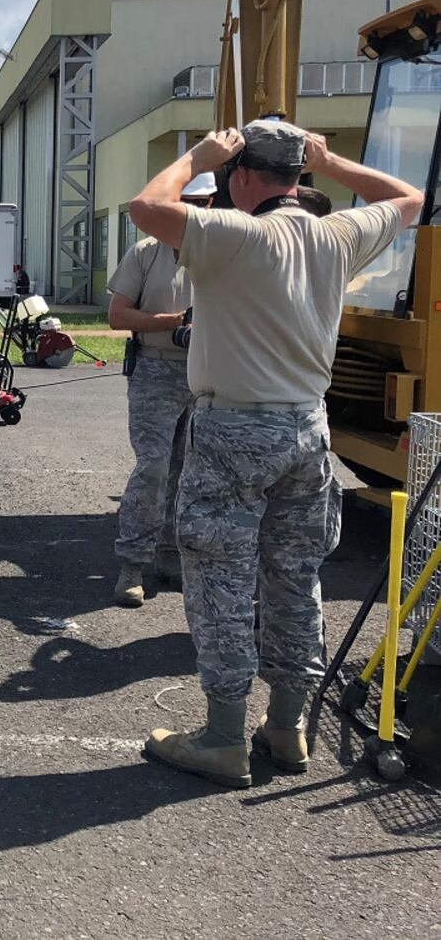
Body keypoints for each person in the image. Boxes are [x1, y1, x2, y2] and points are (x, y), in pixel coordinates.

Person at [128, 120, 422, 788]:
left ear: (240, 177)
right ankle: (288, 729)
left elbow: (147, 208)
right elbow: (408, 198)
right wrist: (333, 160)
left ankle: (224, 738)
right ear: (299, 177)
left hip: (232, 428)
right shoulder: (337, 236)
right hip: (306, 432)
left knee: (221, 582)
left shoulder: (234, 233)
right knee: (296, 581)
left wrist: (198, 157)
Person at [105, 174, 215, 608]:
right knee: (152, 468)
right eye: (186, 202)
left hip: (206, 372)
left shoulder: (221, 251)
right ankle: (132, 564)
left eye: (203, 203)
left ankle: (171, 557)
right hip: (155, 370)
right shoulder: (147, 253)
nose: (194, 211)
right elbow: (118, 317)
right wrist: (174, 323)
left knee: (190, 472)